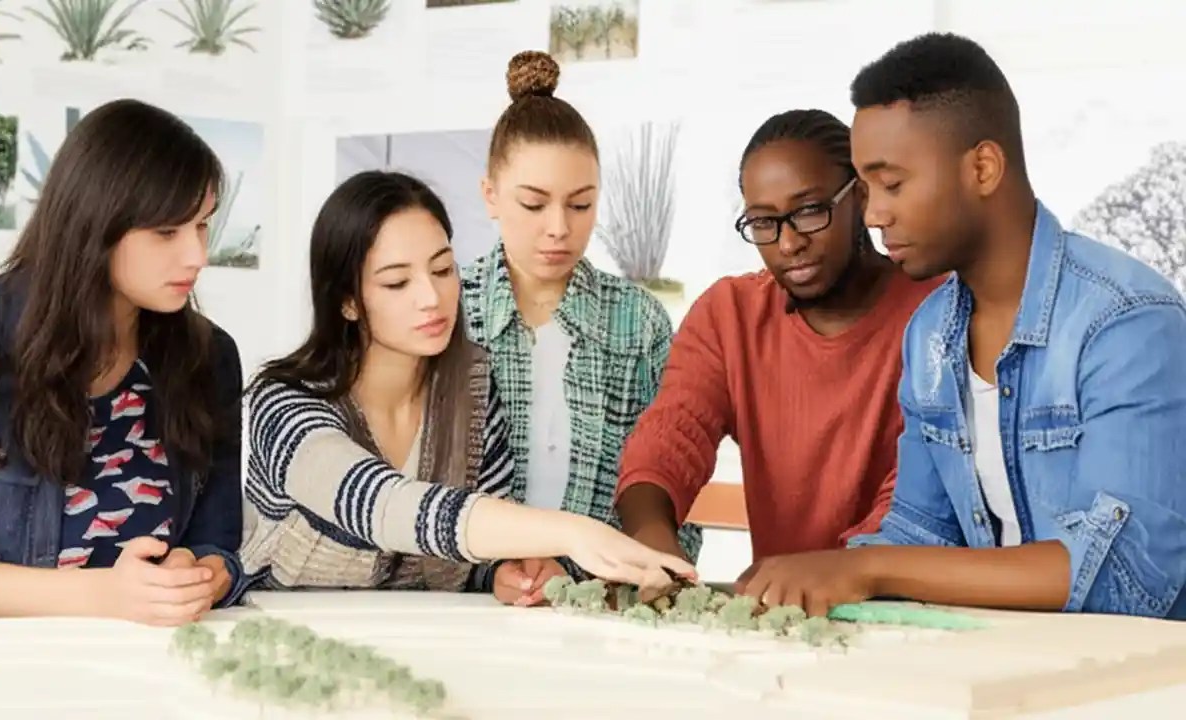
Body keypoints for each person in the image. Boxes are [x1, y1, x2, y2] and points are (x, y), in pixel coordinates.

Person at [740, 32, 1186, 620]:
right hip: (1003, 681)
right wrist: (816, 579)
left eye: (893, 184)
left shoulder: (1125, 323)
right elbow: (919, 531)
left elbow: (1127, 578)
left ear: (982, 167)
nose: (873, 215)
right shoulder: (930, 335)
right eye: (867, 190)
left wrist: (865, 569)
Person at [238, 170, 696, 602]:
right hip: (278, 651)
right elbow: (380, 503)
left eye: (442, 270)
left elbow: (465, 552)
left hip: (425, 652)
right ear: (347, 302)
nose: (431, 298)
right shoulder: (283, 403)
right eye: (398, 282)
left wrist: (503, 574)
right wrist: (573, 532)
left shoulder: (472, 391)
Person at [0, 99, 247, 625]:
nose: (197, 256)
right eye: (167, 233)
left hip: (163, 662)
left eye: (202, 226)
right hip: (7, 673)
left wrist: (194, 574)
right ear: (95, 225)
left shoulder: (211, 358)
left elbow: (216, 544)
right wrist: (104, 596)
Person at [614, 109, 945, 591]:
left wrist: (836, 571)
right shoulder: (730, 315)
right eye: (763, 222)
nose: (788, 243)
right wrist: (654, 539)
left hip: (911, 615)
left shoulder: (939, 313)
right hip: (786, 617)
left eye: (810, 211)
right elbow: (668, 440)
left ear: (862, 195)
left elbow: (919, 493)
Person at [461, 50, 701, 603]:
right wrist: (486, 574)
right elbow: (411, 490)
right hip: (467, 607)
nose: (558, 229)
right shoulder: (449, 307)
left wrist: (624, 575)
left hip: (604, 609)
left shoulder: (638, 321)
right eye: (534, 203)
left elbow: (672, 490)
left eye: (581, 204)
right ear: (491, 196)